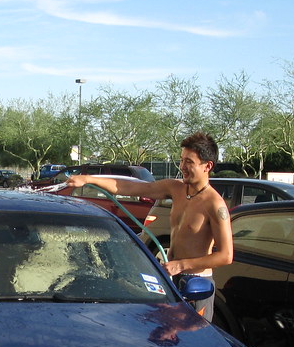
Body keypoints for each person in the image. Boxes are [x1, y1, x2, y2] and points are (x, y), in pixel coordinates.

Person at [66, 132, 233, 321]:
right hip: (171, 279)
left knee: (191, 340)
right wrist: (88, 179)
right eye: (182, 160)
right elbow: (130, 188)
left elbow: (226, 256)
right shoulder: (176, 188)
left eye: (189, 162)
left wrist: (181, 265)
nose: (183, 167)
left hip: (196, 284)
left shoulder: (215, 204)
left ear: (207, 166)